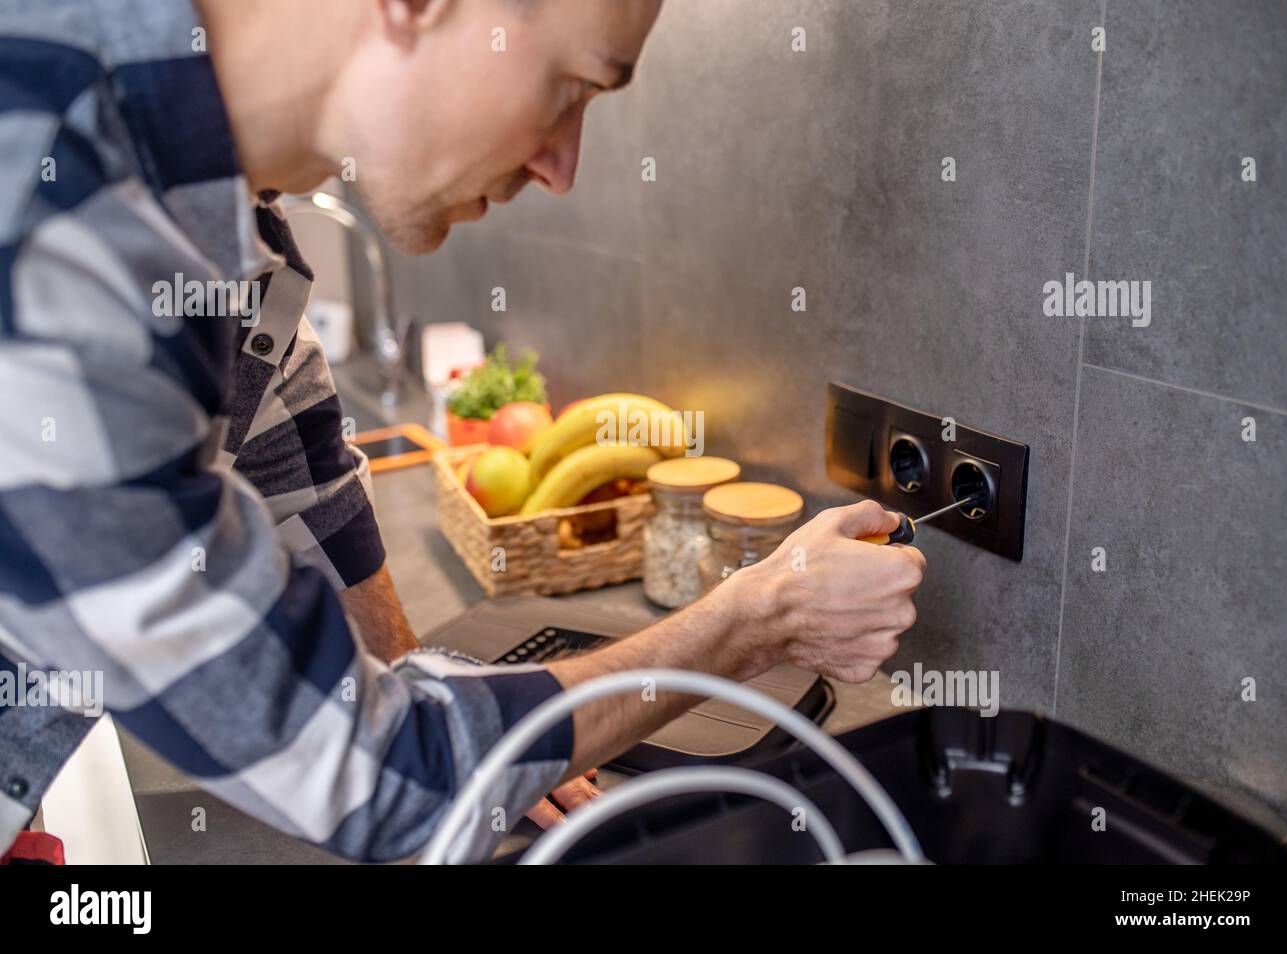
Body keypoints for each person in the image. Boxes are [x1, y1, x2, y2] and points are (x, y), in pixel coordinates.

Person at [0, 0, 925, 862]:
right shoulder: (55, 215)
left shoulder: (197, 183)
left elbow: (291, 445)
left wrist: (407, 669)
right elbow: (374, 774)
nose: (562, 168)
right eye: (573, 88)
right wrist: (758, 619)